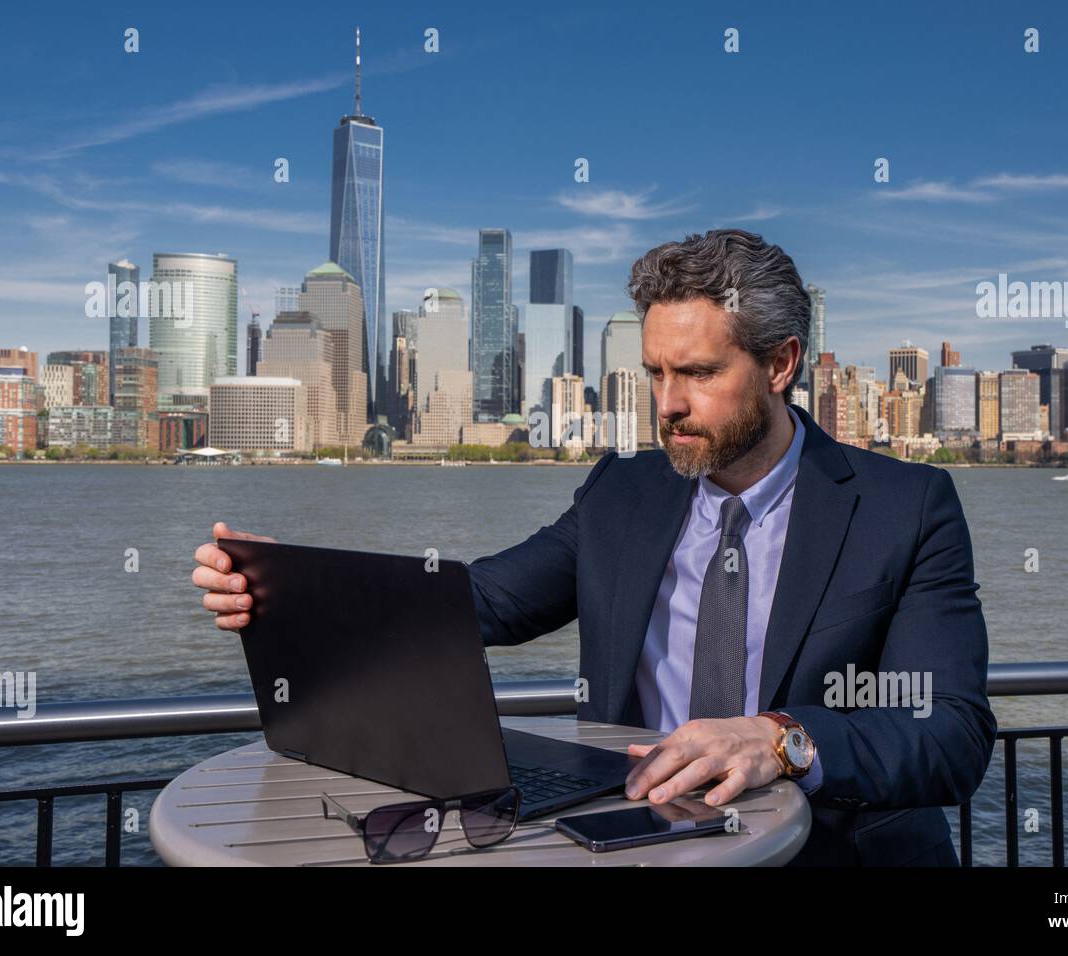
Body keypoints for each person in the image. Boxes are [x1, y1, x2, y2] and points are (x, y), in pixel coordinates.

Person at [192, 228, 996, 865]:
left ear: (781, 363)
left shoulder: (907, 508)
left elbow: (950, 733)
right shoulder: (624, 492)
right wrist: (294, 585)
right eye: (653, 373)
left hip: (831, 856)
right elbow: (479, 601)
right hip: (632, 848)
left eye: (699, 373)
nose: (668, 405)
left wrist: (780, 739)